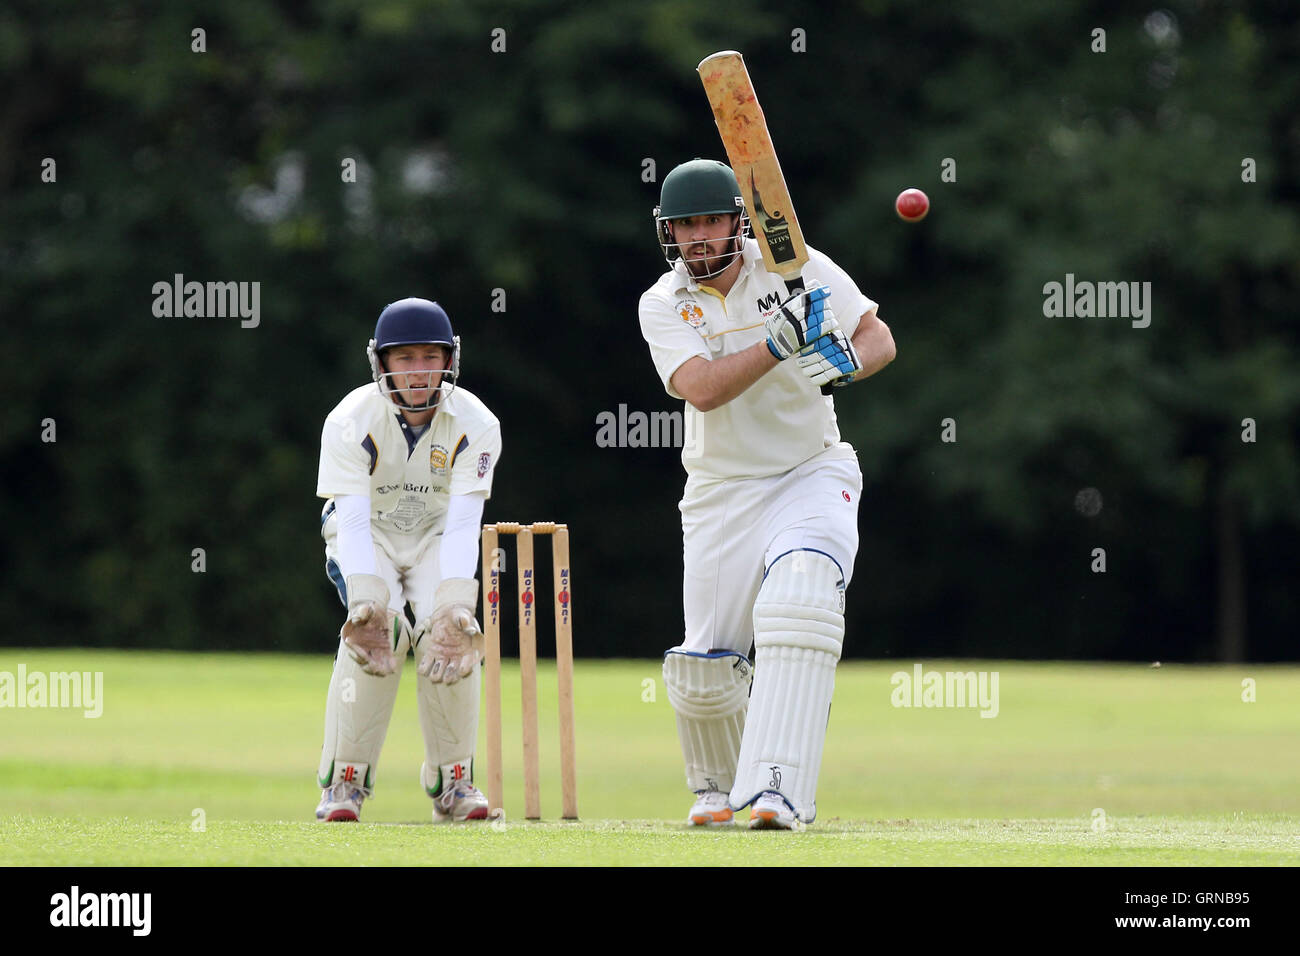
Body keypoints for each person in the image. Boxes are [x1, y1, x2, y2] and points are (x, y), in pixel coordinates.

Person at [638, 159, 897, 829]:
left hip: (809, 471)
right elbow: (701, 387)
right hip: (721, 489)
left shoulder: (797, 266)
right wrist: (779, 343)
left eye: (708, 221)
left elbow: (879, 338)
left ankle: (778, 790)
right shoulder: (664, 302)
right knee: (704, 672)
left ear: (737, 221)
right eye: (683, 226)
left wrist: (841, 361)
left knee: (801, 597)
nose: (696, 237)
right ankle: (720, 789)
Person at [314, 297, 502, 823]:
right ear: (382, 363)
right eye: (406, 358)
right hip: (366, 531)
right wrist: (368, 601)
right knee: (380, 632)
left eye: (430, 356)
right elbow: (350, 520)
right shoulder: (350, 419)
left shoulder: (477, 423)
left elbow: (466, 524)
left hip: (437, 534)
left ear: (450, 359)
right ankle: (344, 782)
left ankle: (454, 783)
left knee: (455, 633)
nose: (420, 371)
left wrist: (452, 604)